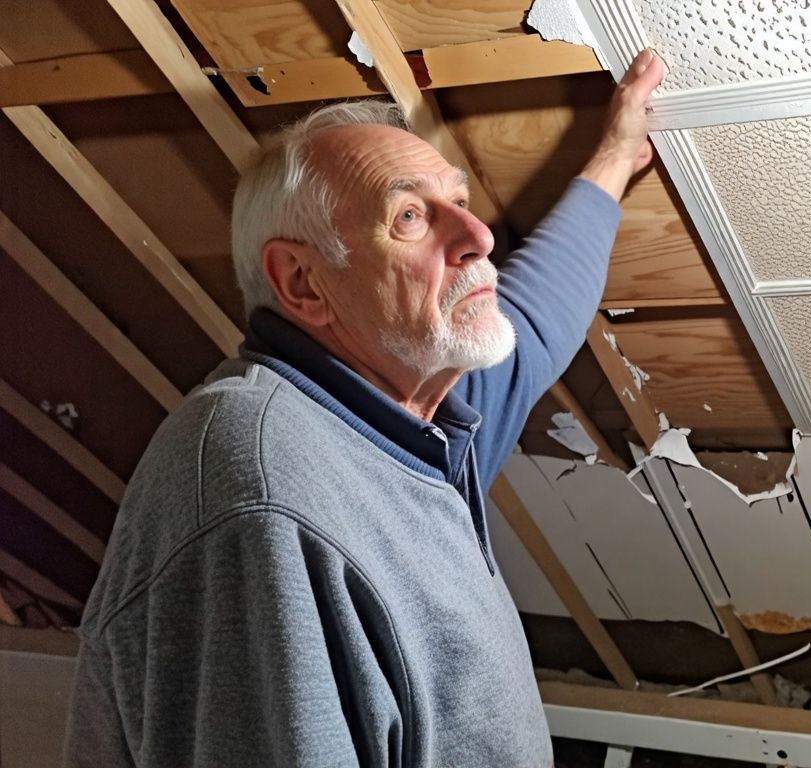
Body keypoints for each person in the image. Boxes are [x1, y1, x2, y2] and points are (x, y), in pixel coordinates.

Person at [63, 49, 666, 767]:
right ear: (303, 282)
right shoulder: (262, 493)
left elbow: (534, 321)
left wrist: (617, 151)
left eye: (461, 205)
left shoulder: (409, 420)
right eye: (410, 215)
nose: (479, 239)